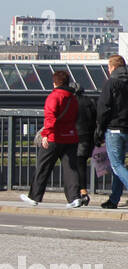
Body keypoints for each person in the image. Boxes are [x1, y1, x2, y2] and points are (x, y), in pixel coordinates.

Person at [21, 70, 82, 207]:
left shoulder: (54, 97)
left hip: (54, 137)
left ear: (54, 83)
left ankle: (34, 196)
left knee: (43, 167)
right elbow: (76, 117)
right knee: (70, 168)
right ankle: (74, 197)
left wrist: (46, 135)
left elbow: (50, 118)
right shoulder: (73, 98)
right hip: (71, 137)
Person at [95, 55, 128, 210]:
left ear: (113, 67)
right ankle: (114, 199)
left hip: (113, 128)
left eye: (108, 67)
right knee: (119, 164)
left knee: (116, 164)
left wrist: (99, 129)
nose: (108, 70)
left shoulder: (111, 83)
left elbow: (103, 108)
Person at [71, 82, 98, 207]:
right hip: (88, 137)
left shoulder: (71, 102)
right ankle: (82, 192)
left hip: (75, 137)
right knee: (81, 164)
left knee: (74, 165)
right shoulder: (90, 101)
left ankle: (79, 193)